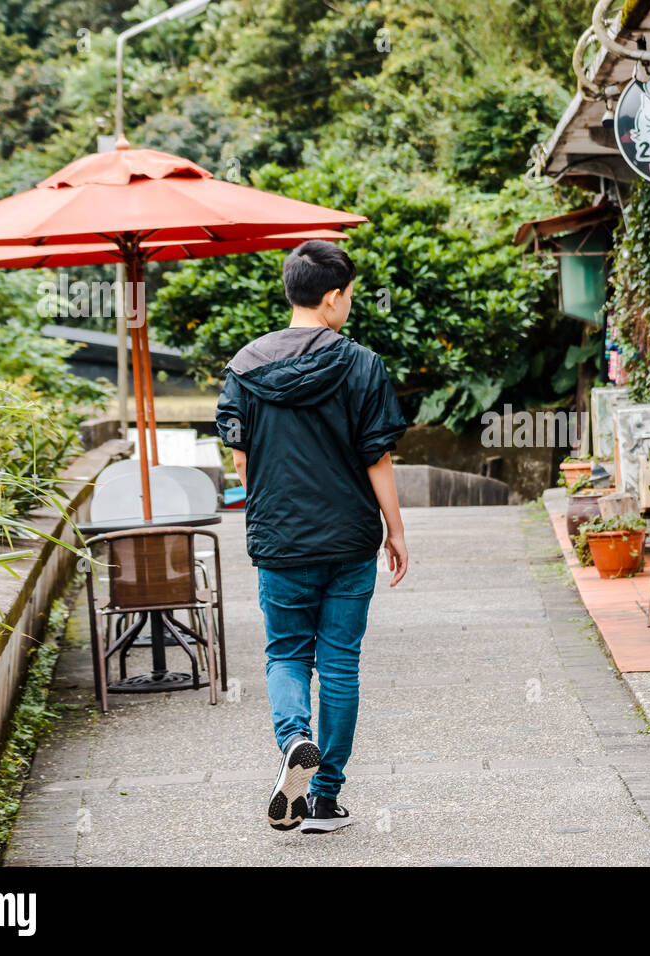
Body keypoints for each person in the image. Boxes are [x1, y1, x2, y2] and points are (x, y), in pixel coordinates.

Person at [215, 239, 408, 834]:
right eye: (348, 296)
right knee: (341, 667)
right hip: (350, 541)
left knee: (286, 655)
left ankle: (295, 737)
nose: (349, 305)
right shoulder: (362, 364)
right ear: (331, 298)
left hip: (281, 540)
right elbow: (377, 458)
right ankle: (324, 799)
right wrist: (395, 531)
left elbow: (242, 465)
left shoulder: (244, 368)